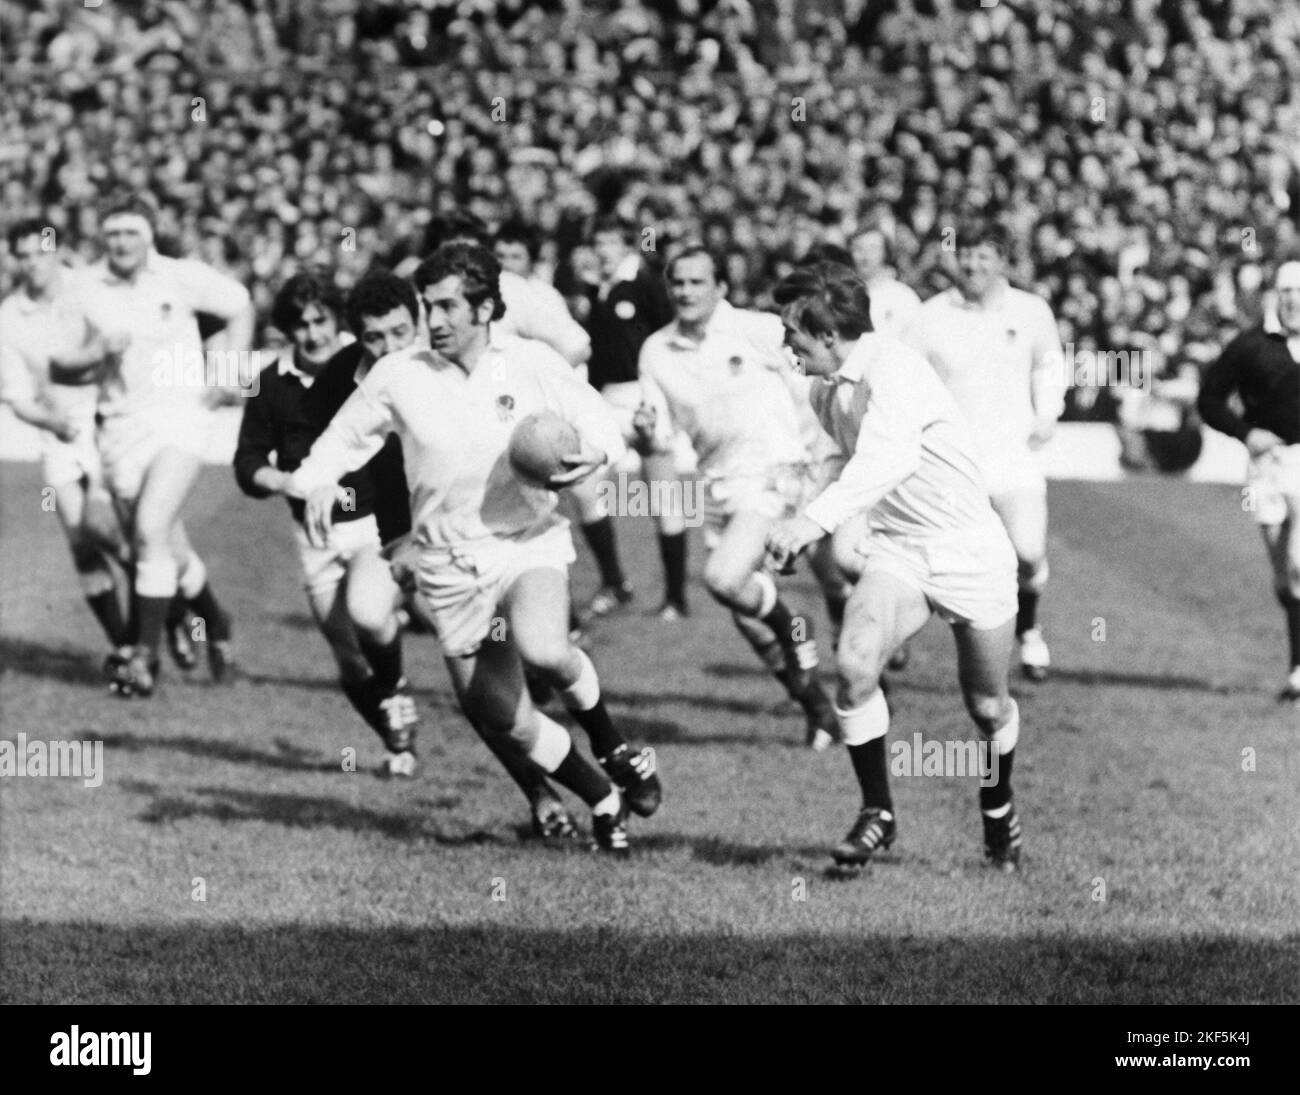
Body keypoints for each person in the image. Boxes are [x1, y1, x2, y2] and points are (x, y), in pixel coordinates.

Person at [289, 243, 662, 854]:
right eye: (428, 307)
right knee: (501, 716)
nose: (434, 321)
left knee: (544, 648)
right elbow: (341, 440)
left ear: (486, 307)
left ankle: (612, 742)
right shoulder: (399, 374)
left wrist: (598, 450)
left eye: (447, 307)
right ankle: (603, 796)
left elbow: (593, 419)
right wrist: (317, 482)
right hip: (447, 564)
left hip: (524, 542)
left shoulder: (529, 362)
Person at [766, 262, 1026, 872]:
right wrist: (805, 502)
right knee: (855, 661)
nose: (788, 348)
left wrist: (811, 524)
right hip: (901, 548)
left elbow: (885, 458)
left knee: (987, 707)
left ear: (829, 336)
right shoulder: (825, 386)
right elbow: (845, 457)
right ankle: (877, 813)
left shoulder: (896, 370)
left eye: (794, 336)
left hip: (969, 551)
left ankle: (997, 806)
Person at [300, 271, 580, 833]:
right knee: (455, 674)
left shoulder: (446, 370)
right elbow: (331, 457)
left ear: (421, 319)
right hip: (387, 536)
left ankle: (562, 708)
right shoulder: (349, 381)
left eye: (400, 331)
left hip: (469, 537)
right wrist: (324, 488)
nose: (387, 347)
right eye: (372, 338)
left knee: (506, 663)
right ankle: (540, 793)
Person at [634, 245, 839, 748]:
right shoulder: (657, 350)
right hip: (718, 487)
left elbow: (814, 389)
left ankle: (795, 623)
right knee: (750, 622)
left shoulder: (760, 330)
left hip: (775, 474)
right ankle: (818, 709)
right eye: (677, 282)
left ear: (721, 287)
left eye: (697, 282)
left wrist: (817, 465)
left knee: (723, 579)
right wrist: (642, 433)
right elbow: (657, 436)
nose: (685, 291)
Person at [52, 191, 253, 697]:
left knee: (149, 530)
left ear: (151, 232)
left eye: (131, 232)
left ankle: (143, 659)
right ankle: (216, 622)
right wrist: (96, 349)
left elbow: (240, 304)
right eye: (113, 233)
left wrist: (228, 373)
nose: (121, 243)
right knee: (166, 547)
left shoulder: (179, 276)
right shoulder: (83, 287)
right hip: (119, 431)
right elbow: (63, 361)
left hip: (181, 421)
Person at [233, 272, 419, 776]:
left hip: (370, 524)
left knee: (367, 612)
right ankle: (397, 740)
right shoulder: (272, 383)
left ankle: (399, 689)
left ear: (339, 321)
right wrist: (287, 481)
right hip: (313, 536)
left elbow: (390, 452)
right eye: (299, 323)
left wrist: (341, 485)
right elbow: (246, 461)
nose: (311, 333)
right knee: (348, 658)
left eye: (320, 320)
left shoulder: (364, 370)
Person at [903, 221, 1066, 681]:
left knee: (1028, 552)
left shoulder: (1031, 310)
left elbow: (1050, 364)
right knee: (939, 564)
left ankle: (1029, 632)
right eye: (965, 254)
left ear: (1002, 261)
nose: (972, 264)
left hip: (1014, 456)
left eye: (984, 255)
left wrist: (1048, 412)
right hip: (953, 465)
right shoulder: (930, 315)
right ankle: (914, 645)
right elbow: (908, 379)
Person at [0, 218, 135, 667]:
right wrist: (50, 421)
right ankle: (125, 646)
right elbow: (18, 398)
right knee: (80, 541)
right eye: (22, 255)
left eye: (39, 252)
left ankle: (168, 610)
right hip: (58, 433)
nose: (32, 262)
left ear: (55, 250)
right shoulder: (9, 315)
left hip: (108, 421)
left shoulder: (86, 289)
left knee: (114, 533)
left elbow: (120, 341)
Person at [1198, 259, 1300, 705]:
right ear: (1274, 296)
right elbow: (1209, 399)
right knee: (1284, 574)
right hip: (1267, 467)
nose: (1294, 299)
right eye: (1286, 291)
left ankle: (1299, 672)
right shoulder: (1250, 346)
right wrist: (1245, 433)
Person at [578, 214, 687, 620]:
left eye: (609, 241)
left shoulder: (644, 284)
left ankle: (676, 596)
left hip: (643, 397)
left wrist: (660, 393)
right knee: (585, 487)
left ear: (626, 245)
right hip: (607, 401)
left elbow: (665, 334)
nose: (602, 250)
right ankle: (614, 582)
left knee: (663, 495)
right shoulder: (597, 287)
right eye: (597, 242)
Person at [848, 225, 922, 338]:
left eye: (873, 248)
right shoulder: (843, 294)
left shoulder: (903, 296)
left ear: (885, 253)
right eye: (858, 249)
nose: (866, 256)